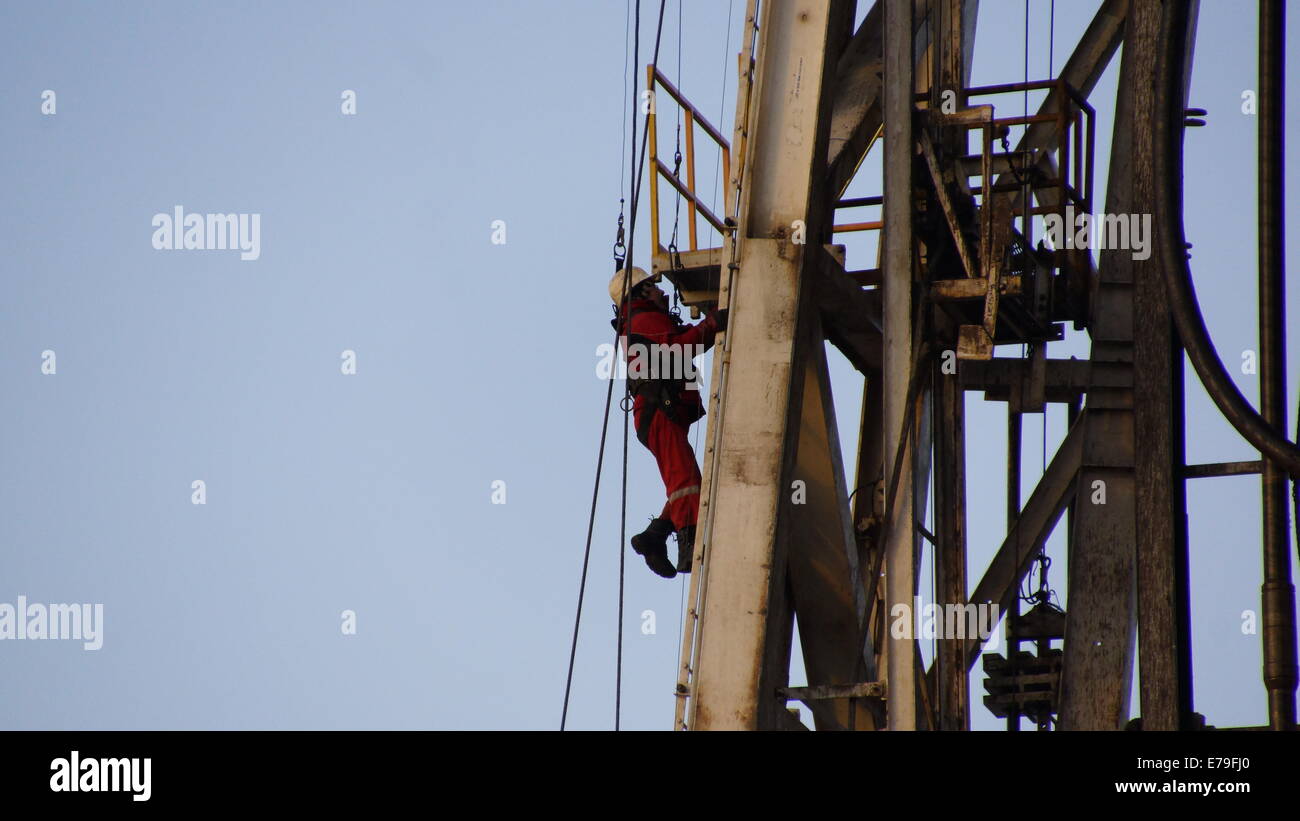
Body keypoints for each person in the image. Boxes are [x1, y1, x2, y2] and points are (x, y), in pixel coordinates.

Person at [608, 266, 727, 579]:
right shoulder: (643, 318)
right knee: (687, 483)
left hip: (662, 412)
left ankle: (655, 535)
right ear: (643, 292)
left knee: (683, 482)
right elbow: (681, 348)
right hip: (660, 412)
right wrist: (714, 322)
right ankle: (689, 544)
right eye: (655, 287)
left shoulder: (641, 321)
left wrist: (710, 322)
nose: (663, 293)